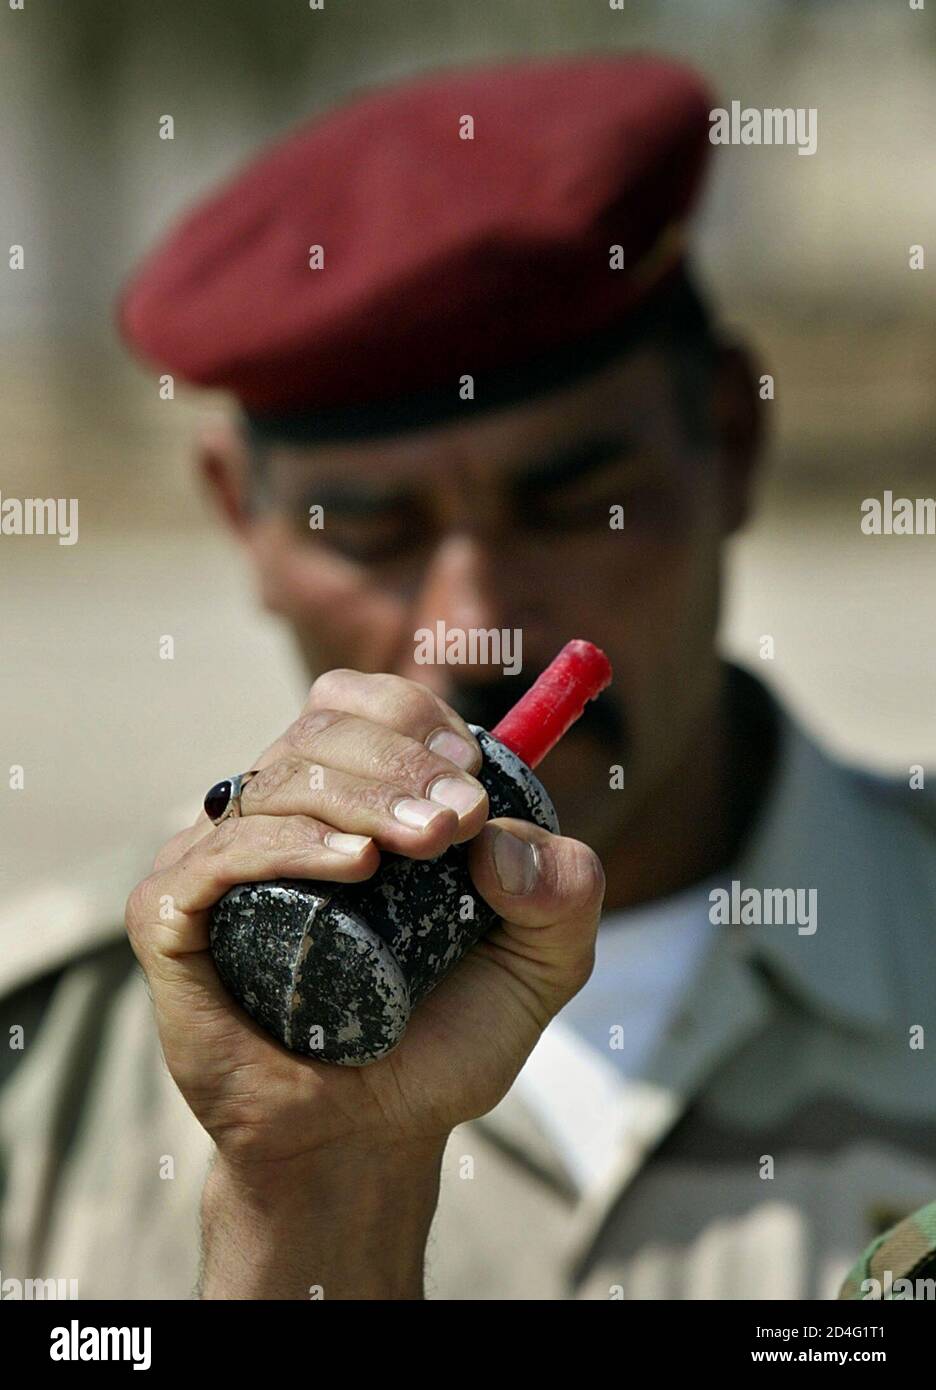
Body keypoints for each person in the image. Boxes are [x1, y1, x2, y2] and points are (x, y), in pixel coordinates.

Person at [3, 53, 936, 1301]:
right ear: (242, 521)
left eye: (574, 504)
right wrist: (312, 1203)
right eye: (368, 530)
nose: (470, 629)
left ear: (729, 439)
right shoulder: (54, 1073)